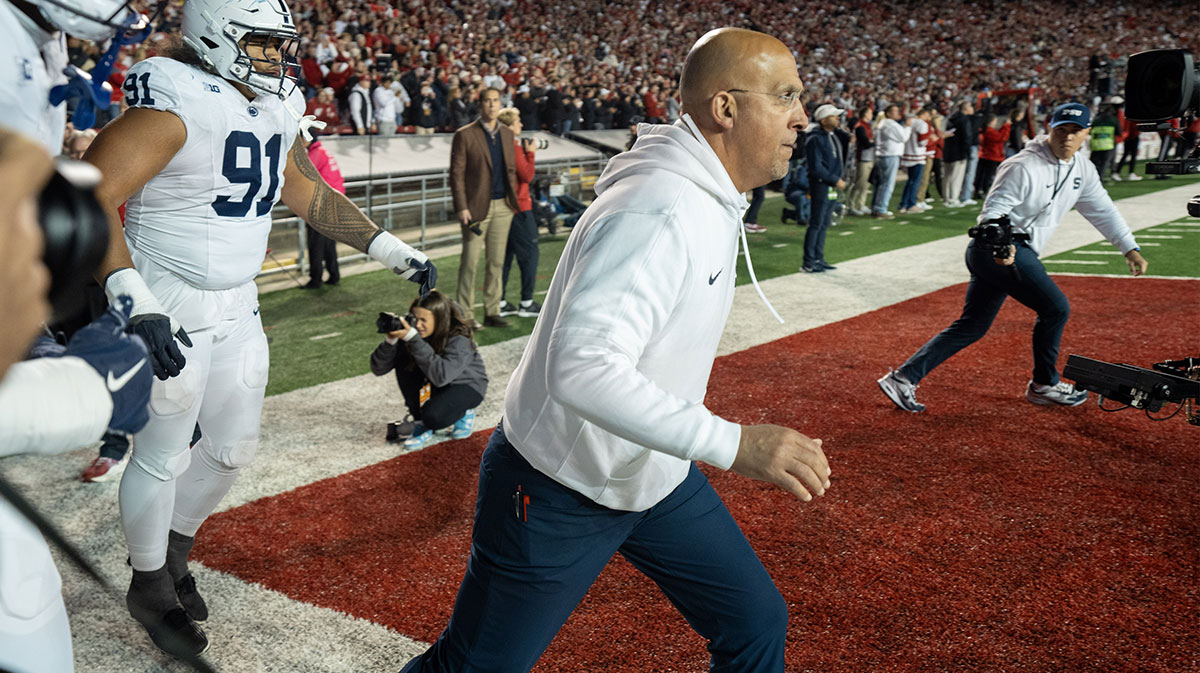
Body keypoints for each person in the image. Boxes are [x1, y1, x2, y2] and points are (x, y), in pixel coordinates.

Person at [400, 27, 830, 673]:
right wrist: (735, 443)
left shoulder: (701, 195)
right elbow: (584, 366)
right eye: (786, 95)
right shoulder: (660, 209)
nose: (804, 116)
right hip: (558, 484)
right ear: (726, 108)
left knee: (756, 620)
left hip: (650, 472)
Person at [81, 0, 435, 657]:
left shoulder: (270, 105)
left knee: (233, 447)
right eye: (264, 43)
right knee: (161, 454)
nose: (277, 57)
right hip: (169, 301)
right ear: (215, 38)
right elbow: (88, 193)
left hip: (238, 302)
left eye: (279, 44)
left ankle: (176, 548)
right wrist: (132, 296)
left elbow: (307, 191)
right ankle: (149, 578)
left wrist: (388, 247)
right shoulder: (174, 103)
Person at [877, 103, 1148, 414]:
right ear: (1049, 128)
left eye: (1075, 132)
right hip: (999, 247)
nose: (1067, 138)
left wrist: (1129, 247)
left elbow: (1102, 209)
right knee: (1056, 308)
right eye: (1061, 130)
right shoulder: (1022, 165)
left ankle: (903, 378)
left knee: (973, 325)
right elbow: (993, 212)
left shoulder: (1083, 168)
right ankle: (1045, 384)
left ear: (1086, 133)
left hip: (1010, 250)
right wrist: (1001, 246)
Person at [369, 290, 486, 449]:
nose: (417, 325)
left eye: (424, 320)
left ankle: (464, 412)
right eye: (415, 319)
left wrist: (414, 340)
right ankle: (419, 423)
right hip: (435, 382)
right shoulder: (414, 333)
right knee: (404, 356)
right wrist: (391, 341)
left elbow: (441, 376)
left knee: (434, 418)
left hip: (466, 385)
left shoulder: (459, 337)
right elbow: (378, 369)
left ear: (439, 319)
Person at [450, 87, 519, 329]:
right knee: (470, 263)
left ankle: (492, 310)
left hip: (503, 206)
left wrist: (513, 201)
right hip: (475, 208)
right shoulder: (465, 134)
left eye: (495, 101)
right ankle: (465, 315)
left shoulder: (508, 135)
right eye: (487, 101)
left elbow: (511, 170)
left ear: (500, 104)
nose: (491, 105)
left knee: (496, 262)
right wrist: (461, 206)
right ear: (479, 105)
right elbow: (456, 174)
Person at [494, 107, 542, 319]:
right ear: (509, 125)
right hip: (520, 207)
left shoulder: (496, 145)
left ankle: (501, 302)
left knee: (505, 257)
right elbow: (527, 175)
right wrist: (530, 152)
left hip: (503, 208)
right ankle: (526, 303)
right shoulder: (512, 146)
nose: (521, 125)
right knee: (530, 254)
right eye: (518, 121)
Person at [803, 103, 846, 272]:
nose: (838, 119)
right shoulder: (815, 138)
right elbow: (816, 167)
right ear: (823, 119)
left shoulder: (832, 135)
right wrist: (835, 179)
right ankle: (809, 262)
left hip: (830, 185)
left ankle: (818, 258)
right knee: (816, 223)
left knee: (823, 223)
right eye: (834, 116)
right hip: (821, 185)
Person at [301, 132, 344, 289]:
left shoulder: (314, 154)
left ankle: (316, 279)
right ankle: (334, 275)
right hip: (334, 202)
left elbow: (304, 178)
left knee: (316, 244)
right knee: (328, 243)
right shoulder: (324, 152)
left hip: (321, 205)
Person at [871, 104, 910, 219]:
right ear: (888, 113)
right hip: (890, 155)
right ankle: (881, 209)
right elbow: (903, 138)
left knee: (880, 184)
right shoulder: (891, 125)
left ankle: (876, 207)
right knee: (887, 184)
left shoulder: (883, 124)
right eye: (895, 111)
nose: (898, 113)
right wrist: (908, 127)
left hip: (883, 156)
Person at [847, 105, 875, 216]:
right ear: (865, 114)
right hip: (863, 157)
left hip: (869, 157)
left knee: (866, 184)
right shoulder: (860, 126)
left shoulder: (867, 126)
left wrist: (871, 141)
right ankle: (851, 205)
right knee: (859, 183)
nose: (871, 114)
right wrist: (873, 142)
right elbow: (865, 142)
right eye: (870, 112)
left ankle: (860, 204)